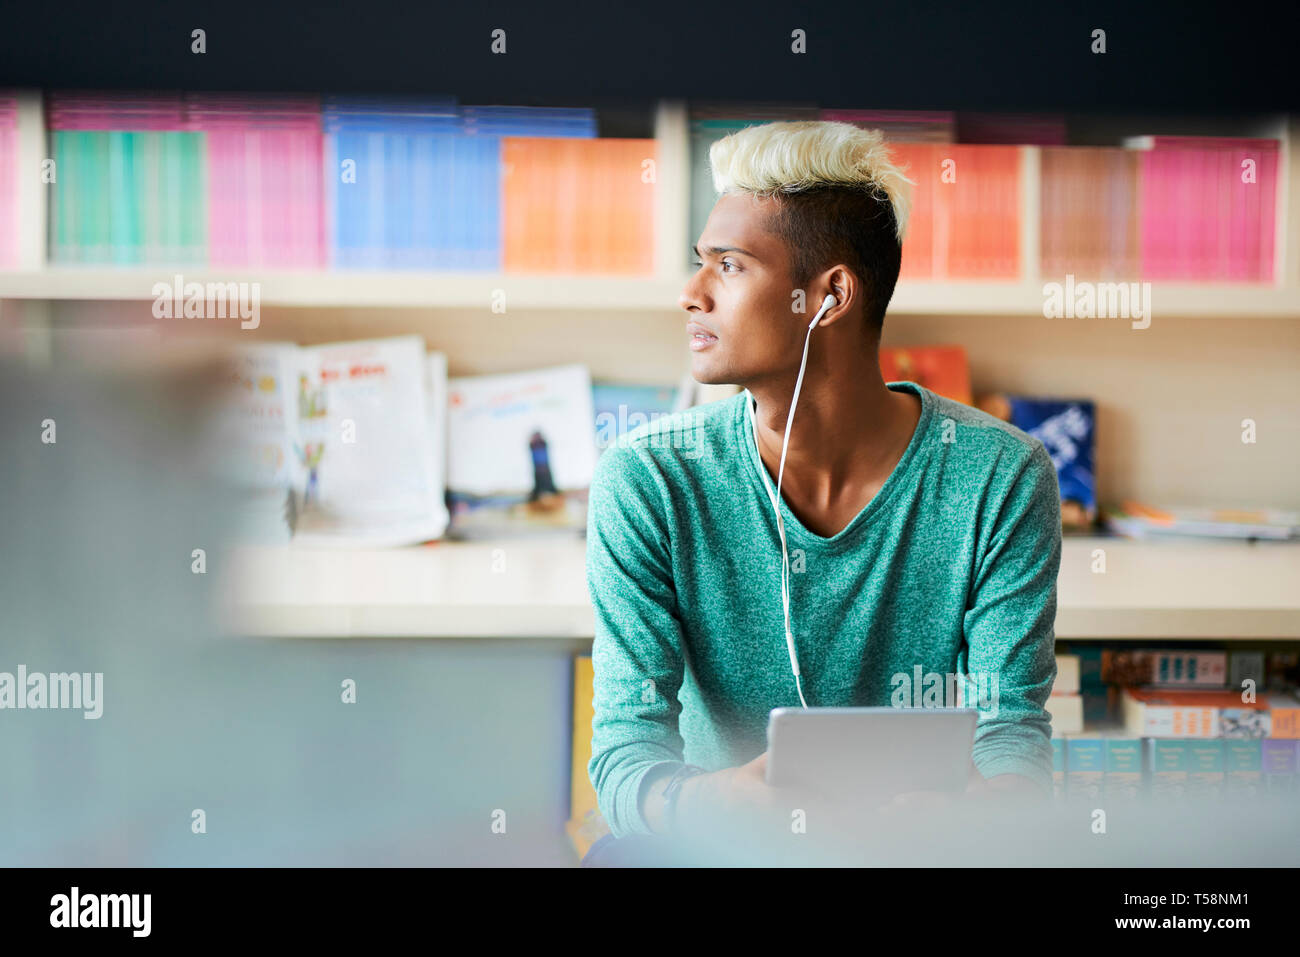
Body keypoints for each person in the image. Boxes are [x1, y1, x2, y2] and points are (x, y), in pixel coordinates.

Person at [584, 121, 1061, 865]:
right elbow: (625, 752)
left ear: (829, 295)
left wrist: (973, 819)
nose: (689, 294)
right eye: (697, 264)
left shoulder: (998, 475)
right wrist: (710, 802)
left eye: (730, 266)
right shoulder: (648, 479)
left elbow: (1012, 739)